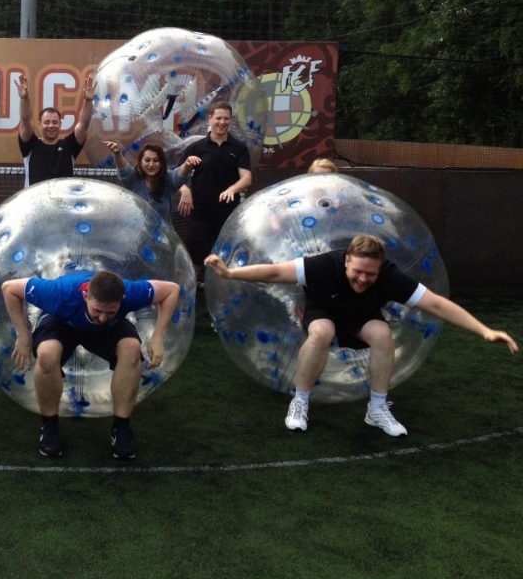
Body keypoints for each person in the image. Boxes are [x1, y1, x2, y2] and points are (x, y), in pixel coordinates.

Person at [204, 234, 518, 437]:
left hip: (360, 318)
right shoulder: (324, 266)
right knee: (322, 331)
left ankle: (377, 408)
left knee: (382, 333)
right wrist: (231, 274)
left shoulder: (389, 276)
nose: (364, 278)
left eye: (371, 274)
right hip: (323, 312)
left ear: (381, 268)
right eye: (358, 271)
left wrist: (485, 330)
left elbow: (436, 303)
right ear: (346, 261)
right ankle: (301, 401)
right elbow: (275, 273)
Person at [2, 270, 180, 459]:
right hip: (62, 322)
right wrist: (23, 334)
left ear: (123, 298)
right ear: (86, 296)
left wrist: (158, 336)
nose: (102, 317)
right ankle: (49, 425)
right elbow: (10, 288)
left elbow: (171, 290)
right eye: (98, 310)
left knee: (131, 348)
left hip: (109, 329)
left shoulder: (131, 292)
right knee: (46, 354)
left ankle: (121, 428)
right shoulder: (59, 292)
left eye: (110, 311)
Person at [177, 101, 252, 278]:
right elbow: (177, 176)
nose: (222, 122)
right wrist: (185, 191)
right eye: (218, 118)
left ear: (230, 120)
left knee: (225, 259)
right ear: (210, 119)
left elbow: (247, 179)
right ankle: (189, 300)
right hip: (199, 215)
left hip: (227, 216)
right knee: (194, 260)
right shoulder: (196, 148)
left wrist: (232, 189)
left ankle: (223, 298)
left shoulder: (238, 147)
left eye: (226, 119)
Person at [18, 74, 95, 186]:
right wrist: (24, 98)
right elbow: (25, 120)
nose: (51, 125)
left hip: (62, 202)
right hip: (35, 202)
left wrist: (88, 101)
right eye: (46, 122)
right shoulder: (30, 145)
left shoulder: (69, 145)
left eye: (55, 122)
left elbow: (83, 124)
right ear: (40, 124)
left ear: (60, 124)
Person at [103, 140, 188, 223]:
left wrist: (188, 165)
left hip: (162, 235)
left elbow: (179, 175)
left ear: (161, 163)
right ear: (140, 162)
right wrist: (117, 154)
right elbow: (124, 170)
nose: (151, 164)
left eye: (156, 160)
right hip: (139, 233)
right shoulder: (133, 178)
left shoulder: (167, 179)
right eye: (147, 160)